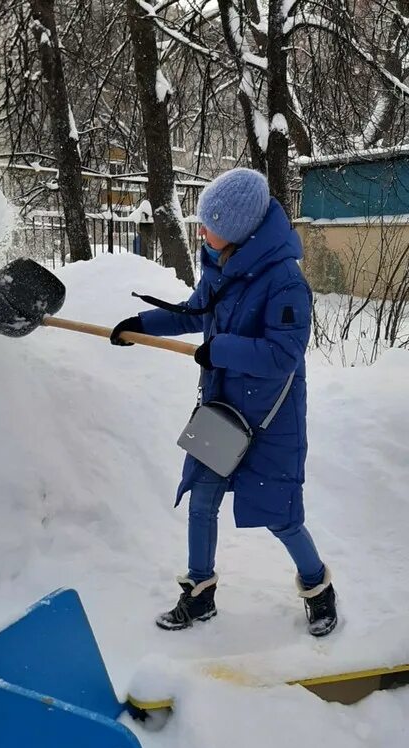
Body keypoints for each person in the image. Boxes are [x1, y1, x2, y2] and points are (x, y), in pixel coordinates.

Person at [110, 168, 337, 637]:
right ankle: (199, 593)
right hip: (222, 407)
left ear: (237, 229)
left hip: (272, 416)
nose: (201, 231)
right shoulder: (224, 264)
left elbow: (283, 355)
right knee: (203, 500)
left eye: (207, 223)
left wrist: (221, 349)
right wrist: (139, 326)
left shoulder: (285, 282)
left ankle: (318, 589)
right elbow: (196, 312)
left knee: (282, 514)